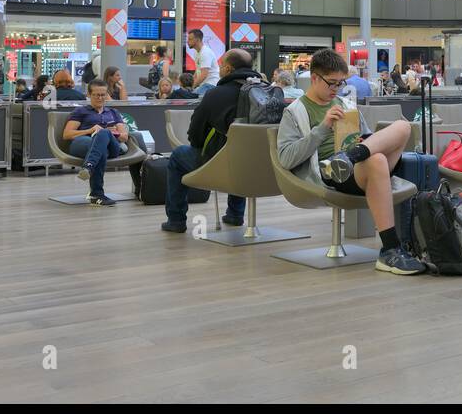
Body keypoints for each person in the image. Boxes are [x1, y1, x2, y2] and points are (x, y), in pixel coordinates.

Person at [276, 48, 425, 275]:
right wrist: (323, 128)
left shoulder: (346, 104)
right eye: (332, 83)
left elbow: (366, 138)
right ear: (314, 78)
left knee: (403, 126)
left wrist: (359, 142)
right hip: (328, 172)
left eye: (341, 83)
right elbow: (286, 159)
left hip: (358, 163)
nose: (336, 89)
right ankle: (390, 249)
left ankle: (350, 156)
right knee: (375, 160)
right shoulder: (294, 111)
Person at [162, 49, 258, 233]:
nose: (219, 69)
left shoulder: (217, 94)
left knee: (177, 156)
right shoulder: (266, 91)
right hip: (257, 168)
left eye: (221, 65)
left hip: (221, 165)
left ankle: (176, 220)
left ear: (228, 69)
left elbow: (194, 135)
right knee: (241, 152)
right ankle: (235, 214)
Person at [62, 78, 132, 206]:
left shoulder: (113, 112)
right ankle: (96, 195)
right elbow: (67, 134)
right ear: (89, 95)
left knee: (104, 134)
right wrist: (91, 129)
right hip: (84, 142)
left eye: (103, 95)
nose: (100, 98)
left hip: (112, 146)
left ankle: (88, 166)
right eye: (96, 95)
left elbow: (124, 137)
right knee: (102, 150)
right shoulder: (81, 111)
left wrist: (112, 133)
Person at [187, 29, 219, 95]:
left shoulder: (205, 52)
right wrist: (190, 86)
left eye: (190, 39)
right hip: (204, 84)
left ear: (197, 40)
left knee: (191, 96)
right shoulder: (196, 52)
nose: (187, 41)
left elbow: (204, 74)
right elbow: (197, 71)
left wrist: (192, 87)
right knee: (188, 93)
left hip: (211, 84)